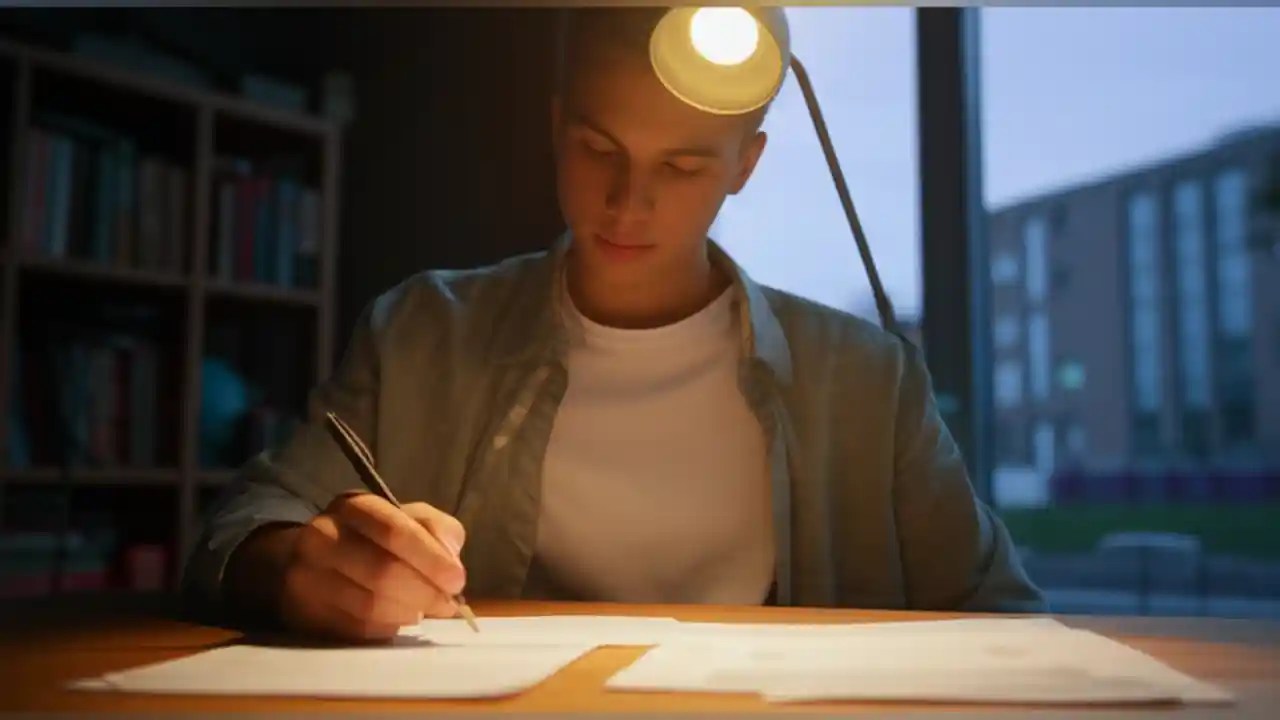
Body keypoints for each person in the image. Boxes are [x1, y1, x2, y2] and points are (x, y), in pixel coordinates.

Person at [184, 7, 1044, 640]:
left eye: (681, 164)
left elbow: (1001, 613)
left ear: (747, 164)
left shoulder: (866, 381)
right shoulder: (423, 332)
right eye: (599, 149)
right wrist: (294, 568)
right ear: (556, 127)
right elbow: (242, 523)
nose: (628, 202)